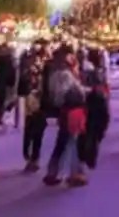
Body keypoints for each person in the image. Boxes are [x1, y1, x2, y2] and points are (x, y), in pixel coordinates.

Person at [43, 47, 88, 187]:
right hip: (71, 111)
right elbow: (65, 93)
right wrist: (81, 91)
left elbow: (53, 94)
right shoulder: (65, 75)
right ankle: (74, 173)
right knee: (72, 142)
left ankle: (54, 172)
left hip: (64, 112)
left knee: (63, 142)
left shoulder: (53, 73)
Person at [19, 41, 48, 172]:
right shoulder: (28, 64)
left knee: (37, 130)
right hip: (32, 98)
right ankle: (29, 156)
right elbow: (24, 80)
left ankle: (33, 157)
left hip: (40, 101)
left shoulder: (47, 65)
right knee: (31, 128)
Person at [0, 40, 17, 127]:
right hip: (8, 80)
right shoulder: (10, 57)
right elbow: (13, 70)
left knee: (1, 100)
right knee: (9, 98)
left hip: (1, 81)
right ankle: (2, 115)